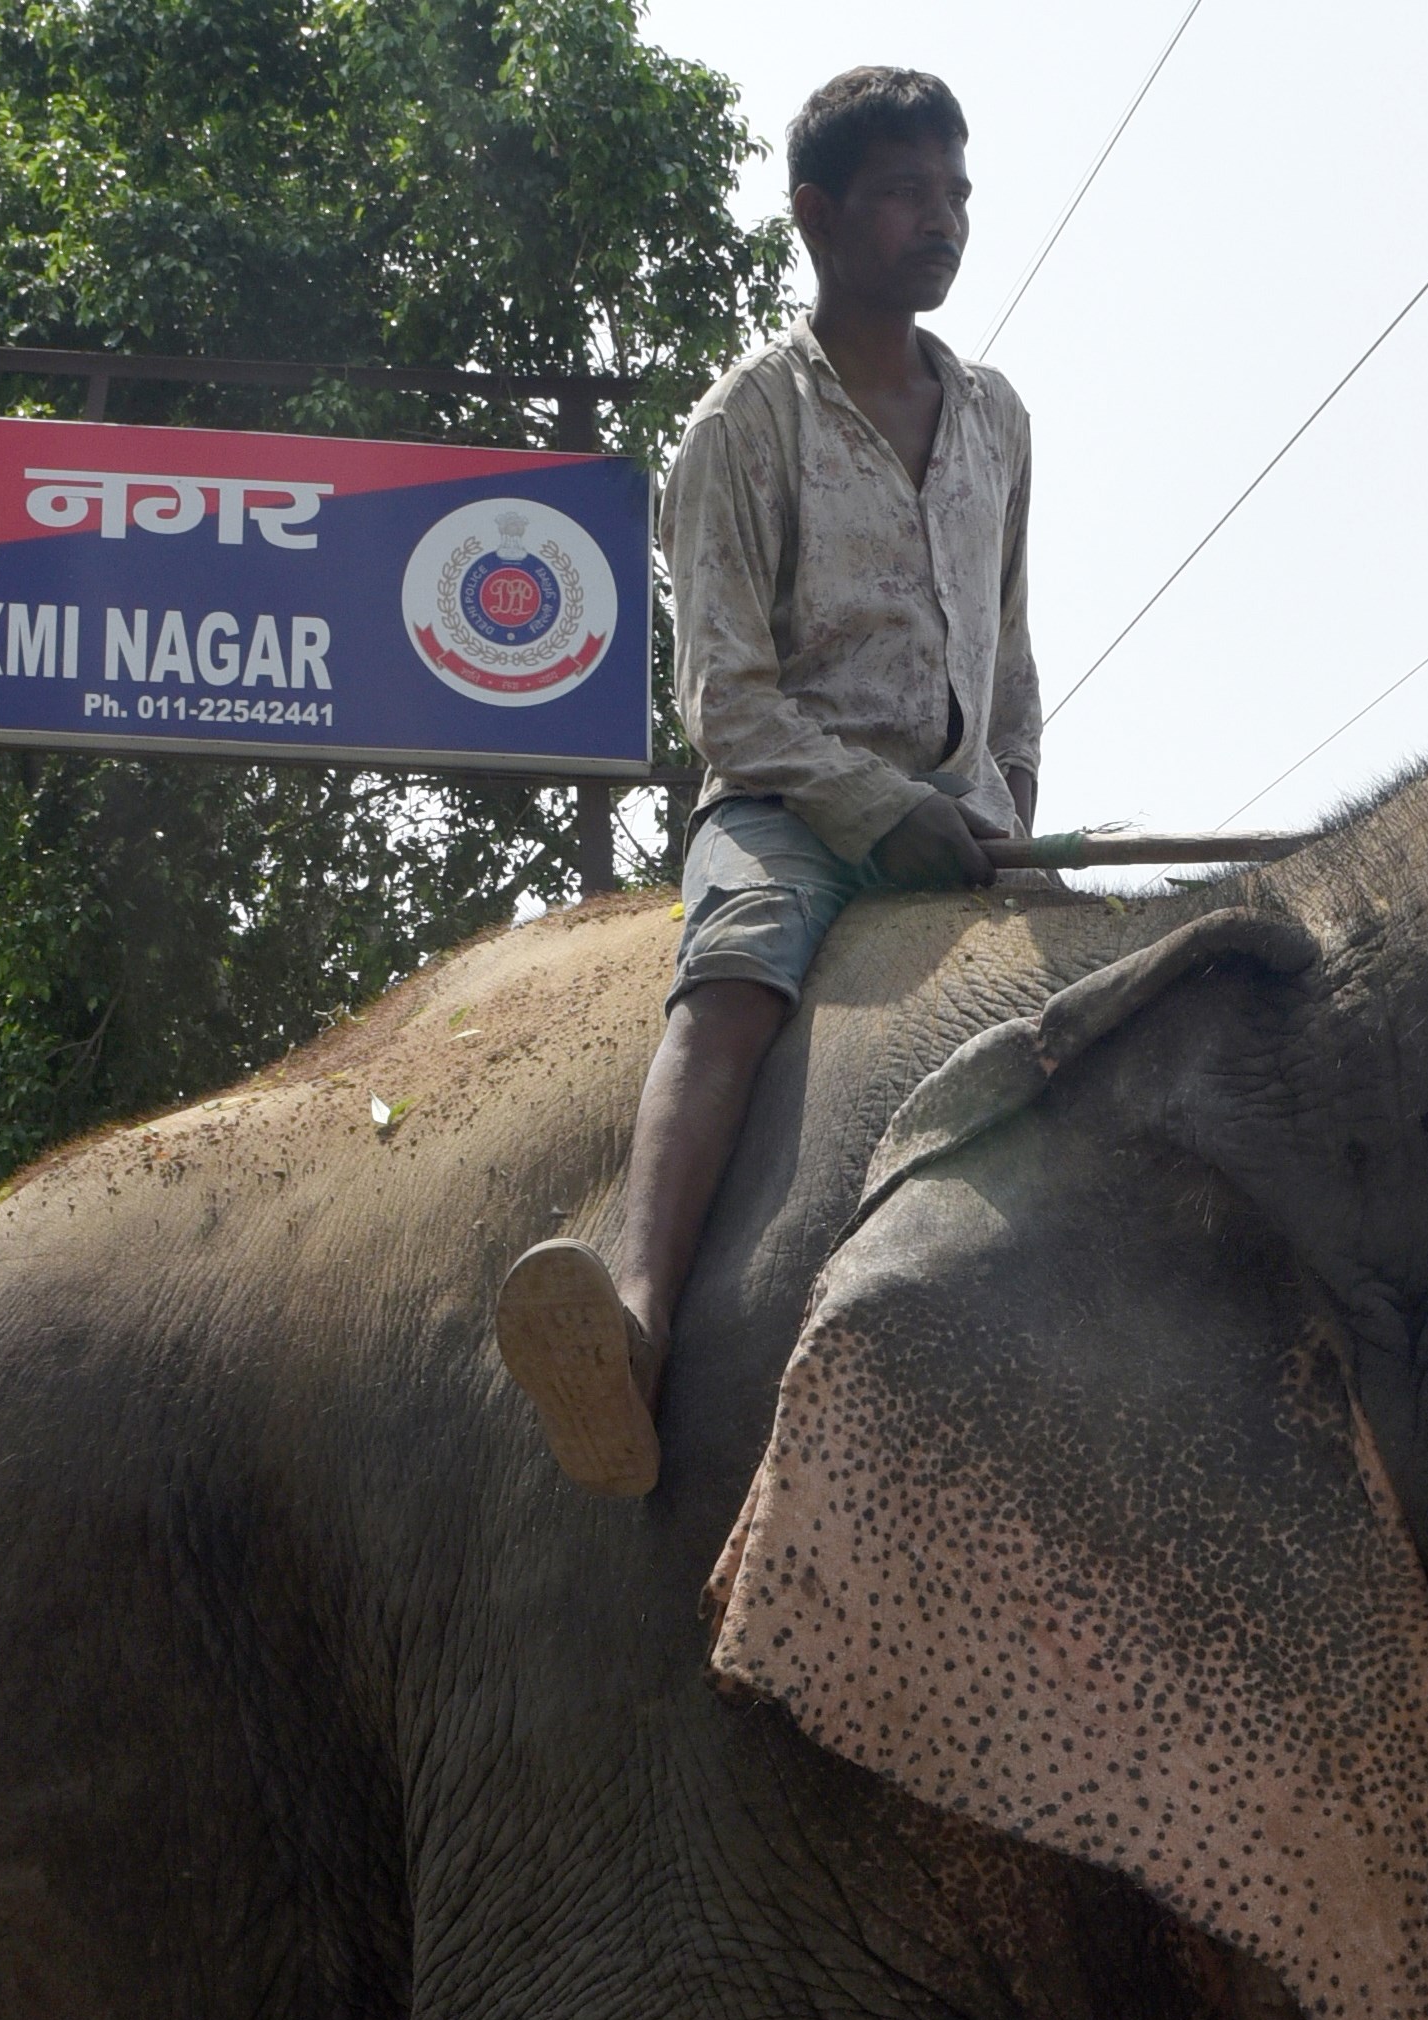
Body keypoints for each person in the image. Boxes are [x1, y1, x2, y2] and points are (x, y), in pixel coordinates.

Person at [493, 63, 1039, 1495]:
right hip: (791, 813)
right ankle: (637, 1313)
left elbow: (1012, 644)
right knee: (730, 989)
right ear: (818, 217)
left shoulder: (999, 421)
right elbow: (724, 697)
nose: (944, 221)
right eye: (908, 193)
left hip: (961, 812)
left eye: (957, 193)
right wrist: (880, 809)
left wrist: (1006, 815)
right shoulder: (741, 426)